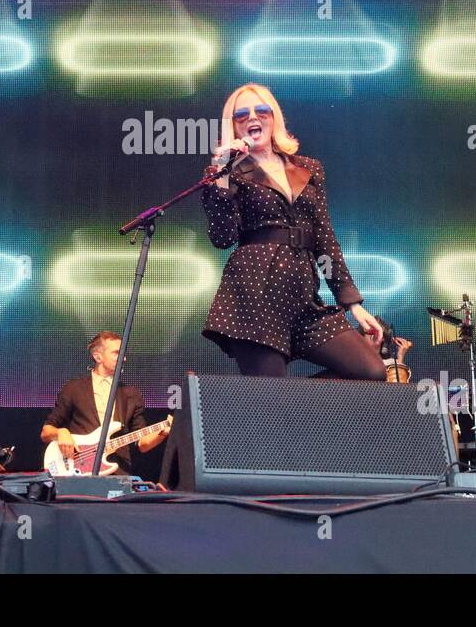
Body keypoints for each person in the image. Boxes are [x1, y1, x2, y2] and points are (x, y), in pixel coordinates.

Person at [199, 83, 390, 379]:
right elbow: (222, 238)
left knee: (371, 371)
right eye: (241, 115)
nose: (253, 118)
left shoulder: (308, 168)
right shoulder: (226, 172)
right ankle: (282, 407)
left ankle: (295, 406)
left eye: (261, 110)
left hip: (303, 296)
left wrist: (352, 303)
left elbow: (325, 238)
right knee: (273, 398)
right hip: (254, 296)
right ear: (233, 127)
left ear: (273, 117)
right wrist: (221, 175)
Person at [40, 331, 169, 475]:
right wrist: (61, 432)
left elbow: (142, 444)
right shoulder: (73, 389)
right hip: (78, 470)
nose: (123, 358)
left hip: (117, 472)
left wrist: (163, 432)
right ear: (98, 356)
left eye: (123, 353)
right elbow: (46, 432)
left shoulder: (131, 394)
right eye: (116, 353)